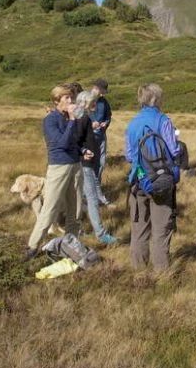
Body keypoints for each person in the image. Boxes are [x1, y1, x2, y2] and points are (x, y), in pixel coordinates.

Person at [26, 85, 92, 258]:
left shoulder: (70, 118)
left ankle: (70, 245)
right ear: (56, 101)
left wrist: (83, 150)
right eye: (66, 99)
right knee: (50, 209)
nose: (71, 101)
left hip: (75, 166)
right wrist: (71, 120)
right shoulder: (50, 120)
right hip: (59, 168)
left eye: (71, 98)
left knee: (75, 210)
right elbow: (61, 144)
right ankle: (32, 247)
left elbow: (73, 142)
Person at [125, 83, 181, 271]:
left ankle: (138, 270)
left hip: (138, 180)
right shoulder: (163, 120)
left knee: (139, 227)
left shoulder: (132, 123)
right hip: (161, 182)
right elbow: (174, 150)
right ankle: (161, 272)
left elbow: (129, 155)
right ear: (156, 99)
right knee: (161, 228)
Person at [74, 89, 118, 244]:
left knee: (78, 198)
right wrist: (83, 152)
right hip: (85, 165)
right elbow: (74, 141)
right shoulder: (83, 119)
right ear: (87, 103)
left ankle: (75, 231)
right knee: (92, 199)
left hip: (83, 164)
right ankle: (101, 234)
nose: (96, 104)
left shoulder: (81, 118)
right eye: (93, 102)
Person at [90, 79, 113, 206]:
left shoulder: (104, 102)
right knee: (90, 166)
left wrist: (105, 123)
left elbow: (109, 115)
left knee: (101, 163)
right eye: (102, 92)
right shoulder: (85, 100)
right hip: (89, 138)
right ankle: (90, 194)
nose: (103, 94)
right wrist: (90, 125)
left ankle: (97, 190)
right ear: (96, 89)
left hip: (101, 137)